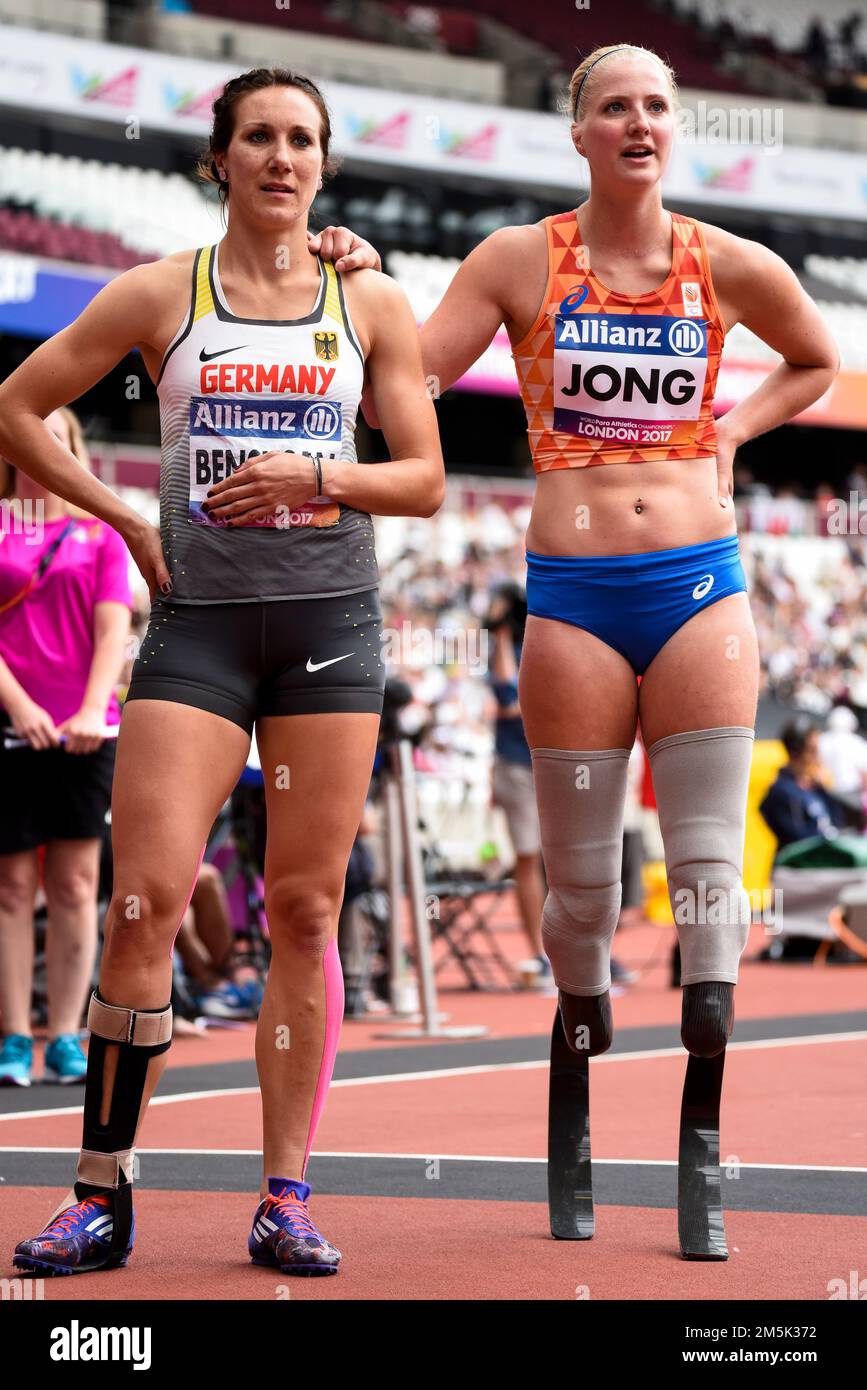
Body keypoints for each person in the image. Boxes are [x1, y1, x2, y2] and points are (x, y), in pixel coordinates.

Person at [326, 41, 839, 1255]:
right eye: (616, 106)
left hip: (703, 587)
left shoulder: (727, 261)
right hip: (571, 598)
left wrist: (734, 430)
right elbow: (410, 380)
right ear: (580, 132)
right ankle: (581, 1008)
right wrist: (365, 288)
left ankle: (703, 1105)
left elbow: (818, 363)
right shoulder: (517, 260)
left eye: (659, 104)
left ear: (677, 127)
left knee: (711, 878)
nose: (641, 122)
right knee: (582, 895)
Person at [0, 66, 443, 1277]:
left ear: (324, 163)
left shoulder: (374, 303)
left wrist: (322, 478)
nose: (282, 157)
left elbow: (424, 477)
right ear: (221, 159)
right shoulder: (159, 292)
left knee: (303, 910)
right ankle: (100, 1193)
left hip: (329, 634)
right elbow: (18, 406)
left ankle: (284, 1196)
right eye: (259, 136)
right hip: (198, 632)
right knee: (143, 899)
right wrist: (122, 522)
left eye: (303, 139)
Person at [0, 408, 132, 1086]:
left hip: (87, 731)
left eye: (58, 437)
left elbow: (113, 633)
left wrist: (88, 708)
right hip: (9, 729)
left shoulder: (99, 532)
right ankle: (15, 1037)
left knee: (77, 884)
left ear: (75, 449)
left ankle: (66, 1036)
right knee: (12, 887)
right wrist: (20, 706)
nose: (42, 449)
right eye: (30, 436)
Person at [486, 581, 549, 981]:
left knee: (563, 862)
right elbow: (510, 698)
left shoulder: (542, 645)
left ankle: (579, 949)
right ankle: (539, 953)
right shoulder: (499, 653)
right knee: (527, 857)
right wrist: (502, 637)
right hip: (515, 765)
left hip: (548, 764)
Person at [760, 719, 848, 855]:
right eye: (812, 750)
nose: (817, 757)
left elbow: (838, 821)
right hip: (799, 870)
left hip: (824, 864)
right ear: (795, 752)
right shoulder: (782, 790)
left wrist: (824, 790)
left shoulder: (816, 788)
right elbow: (798, 839)